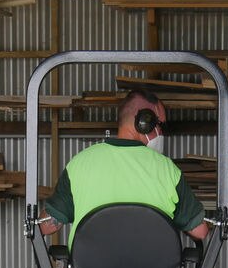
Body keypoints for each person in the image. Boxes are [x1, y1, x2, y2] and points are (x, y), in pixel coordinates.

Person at [39, 89, 209, 243]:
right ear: (145, 122)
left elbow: (47, 226)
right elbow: (200, 232)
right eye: (160, 124)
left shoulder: (79, 164)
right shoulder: (167, 171)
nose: (161, 132)